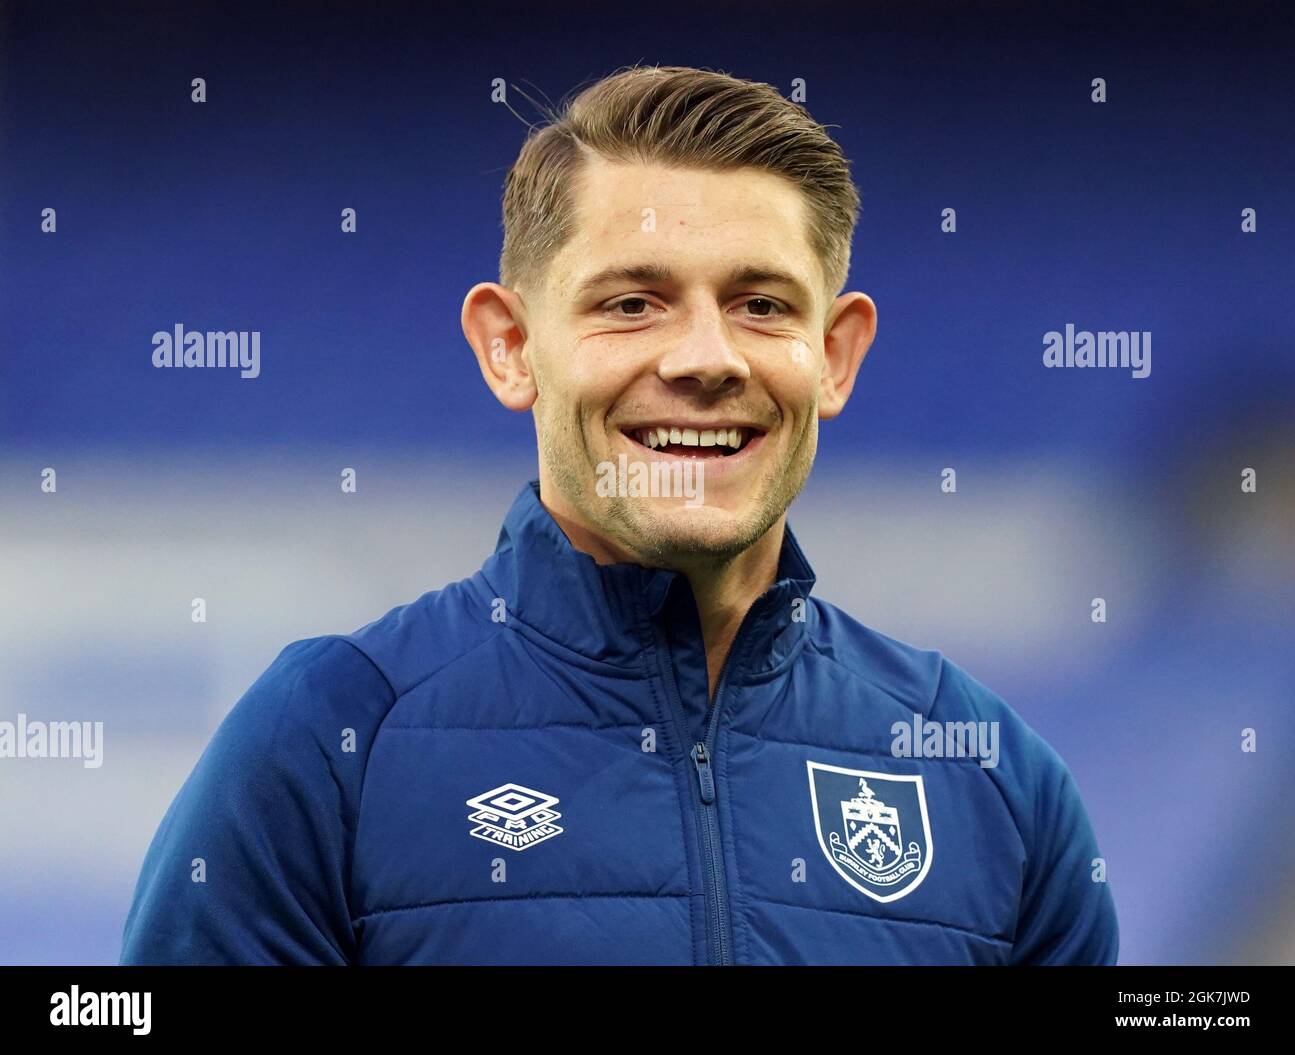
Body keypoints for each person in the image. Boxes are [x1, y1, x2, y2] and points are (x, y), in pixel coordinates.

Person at [120, 64, 1118, 965]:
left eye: (762, 304)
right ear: (510, 346)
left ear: (836, 355)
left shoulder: (989, 774)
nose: (703, 357)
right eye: (631, 303)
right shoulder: (329, 740)